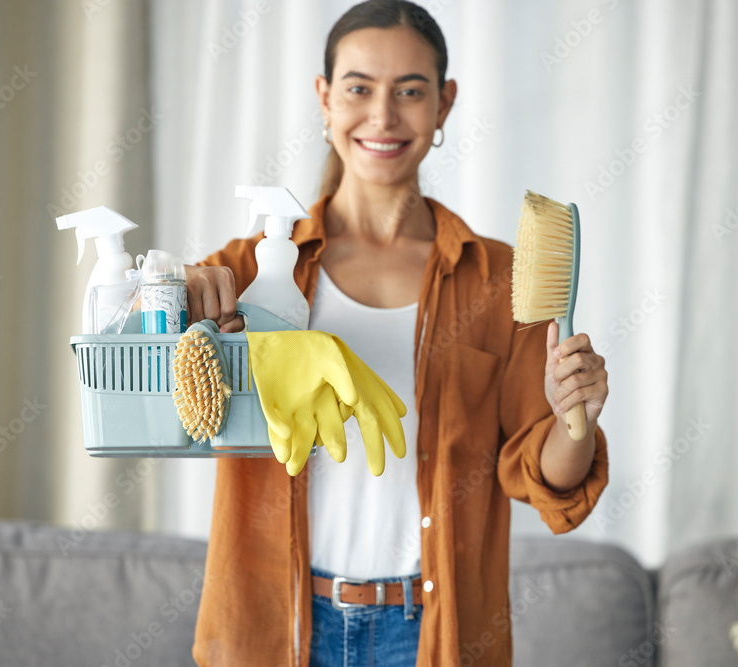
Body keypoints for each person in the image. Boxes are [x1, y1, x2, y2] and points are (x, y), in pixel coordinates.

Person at [187, 2, 609, 665]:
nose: (383, 116)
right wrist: (175, 294)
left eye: (410, 91)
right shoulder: (247, 270)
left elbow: (547, 482)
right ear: (324, 99)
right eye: (359, 88)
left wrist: (574, 419)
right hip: (275, 629)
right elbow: (145, 369)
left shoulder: (498, 278)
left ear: (444, 104)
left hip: (431, 633)